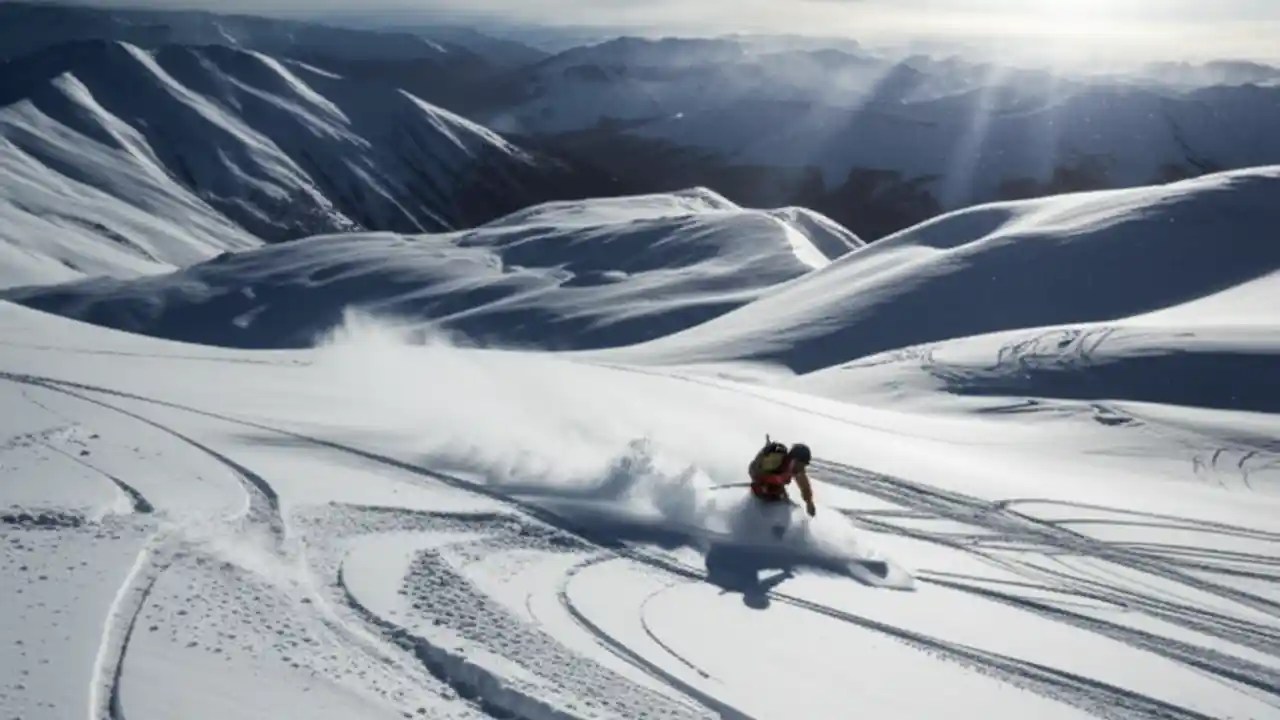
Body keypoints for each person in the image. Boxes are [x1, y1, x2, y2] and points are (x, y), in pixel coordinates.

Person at [748, 438, 816, 517]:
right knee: (767, 501)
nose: (802, 467)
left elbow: (805, 487)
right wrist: (761, 484)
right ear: (795, 459)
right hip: (762, 485)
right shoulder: (775, 459)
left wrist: (809, 502)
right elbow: (754, 469)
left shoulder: (798, 470)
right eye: (802, 464)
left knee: (784, 505)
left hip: (776, 486)